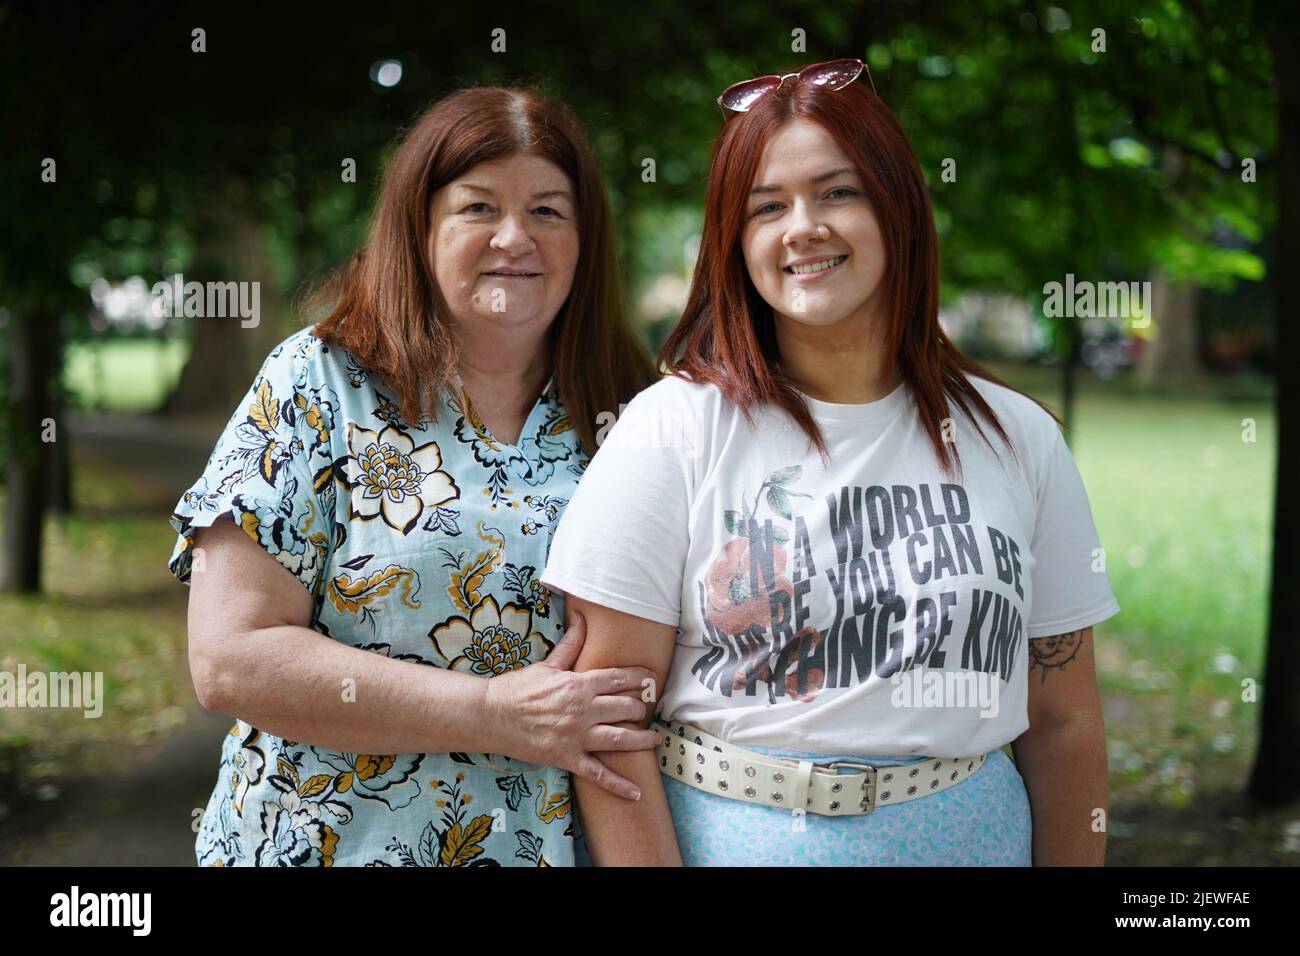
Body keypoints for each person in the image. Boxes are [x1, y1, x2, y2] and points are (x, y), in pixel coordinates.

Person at [540, 59, 1121, 866]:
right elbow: (610, 726)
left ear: (898, 208)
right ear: (734, 243)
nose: (802, 226)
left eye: (837, 192)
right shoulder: (671, 429)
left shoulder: (1018, 438)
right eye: (766, 207)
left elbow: (1062, 722)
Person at [167, 86, 660, 867]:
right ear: (420, 227)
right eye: (477, 208)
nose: (514, 237)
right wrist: (493, 711)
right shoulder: (318, 384)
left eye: (548, 211)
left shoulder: (637, 413)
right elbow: (231, 657)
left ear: (586, 239)